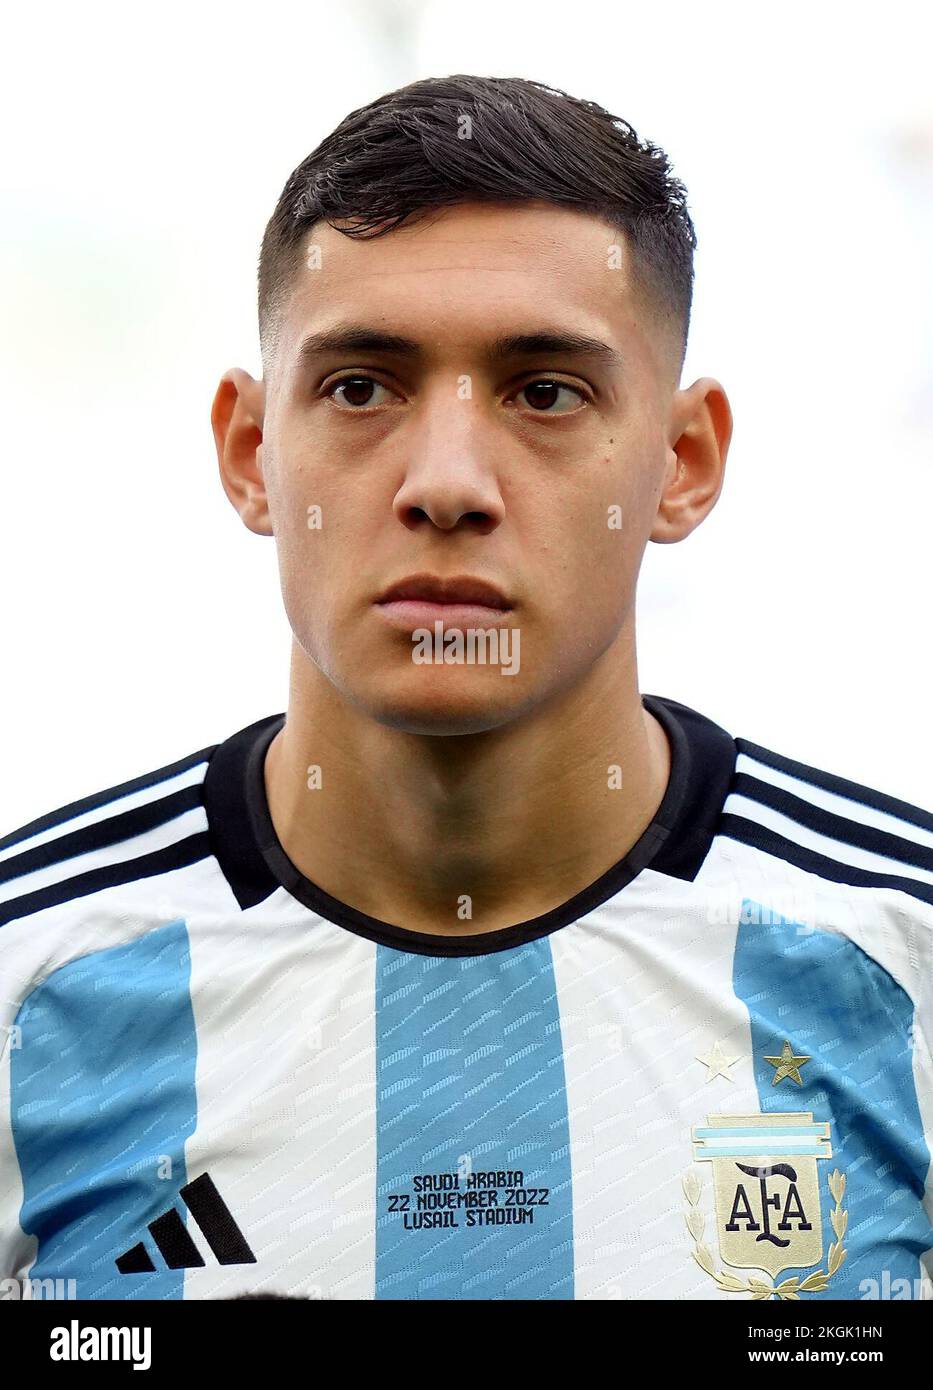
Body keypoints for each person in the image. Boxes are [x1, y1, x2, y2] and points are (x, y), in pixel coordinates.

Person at [0, 74, 930, 1304]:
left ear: (683, 462)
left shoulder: (898, 961)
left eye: (546, 392)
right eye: (360, 386)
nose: (446, 483)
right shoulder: (33, 984)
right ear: (250, 454)